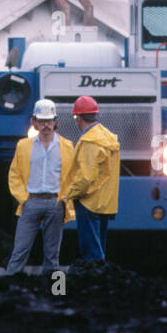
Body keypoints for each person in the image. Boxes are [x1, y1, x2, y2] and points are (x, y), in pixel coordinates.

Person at [5, 98, 76, 274]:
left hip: (55, 203)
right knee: (19, 251)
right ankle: (8, 291)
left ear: (55, 122)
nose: (46, 125)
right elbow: (14, 175)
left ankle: (54, 293)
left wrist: (64, 198)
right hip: (31, 203)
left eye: (49, 120)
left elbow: (74, 175)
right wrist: (24, 199)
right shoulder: (23, 146)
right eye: (42, 121)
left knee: (53, 255)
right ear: (34, 122)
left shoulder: (67, 146)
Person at [61, 95, 120, 261]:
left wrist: (68, 194)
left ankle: (95, 282)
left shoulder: (90, 141)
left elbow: (86, 177)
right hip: (104, 202)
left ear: (78, 118)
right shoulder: (106, 137)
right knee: (99, 246)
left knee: (92, 252)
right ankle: (101, 281)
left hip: (89, 202)